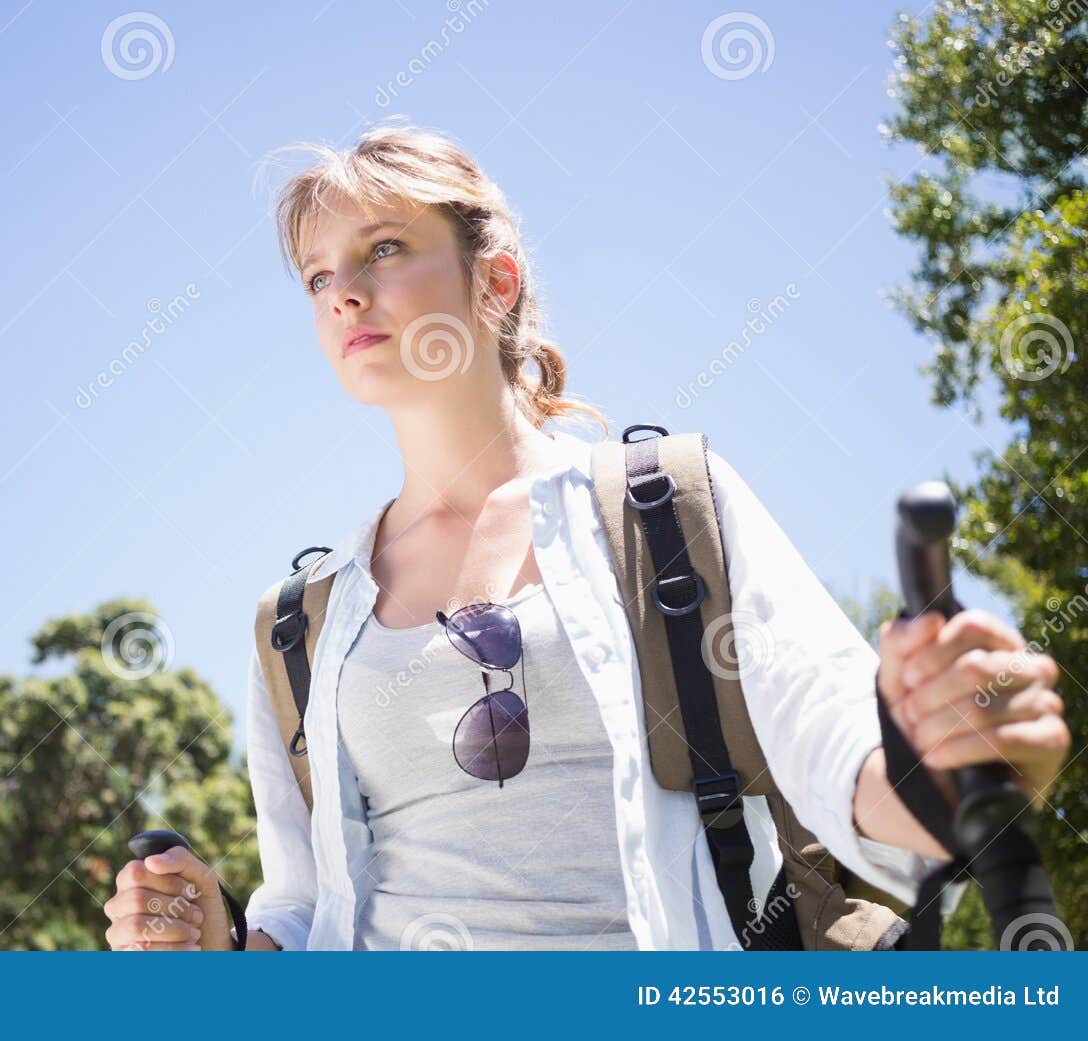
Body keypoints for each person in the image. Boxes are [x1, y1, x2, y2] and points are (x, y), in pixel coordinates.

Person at [102, 123, 1070, 951]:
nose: (344, 293)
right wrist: (215, 946)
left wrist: (952, 763)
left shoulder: (667, 513)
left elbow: (842, 762)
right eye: (318, 276)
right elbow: (306, 910)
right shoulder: (296, 628)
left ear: (496, 281)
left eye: (385, 249)